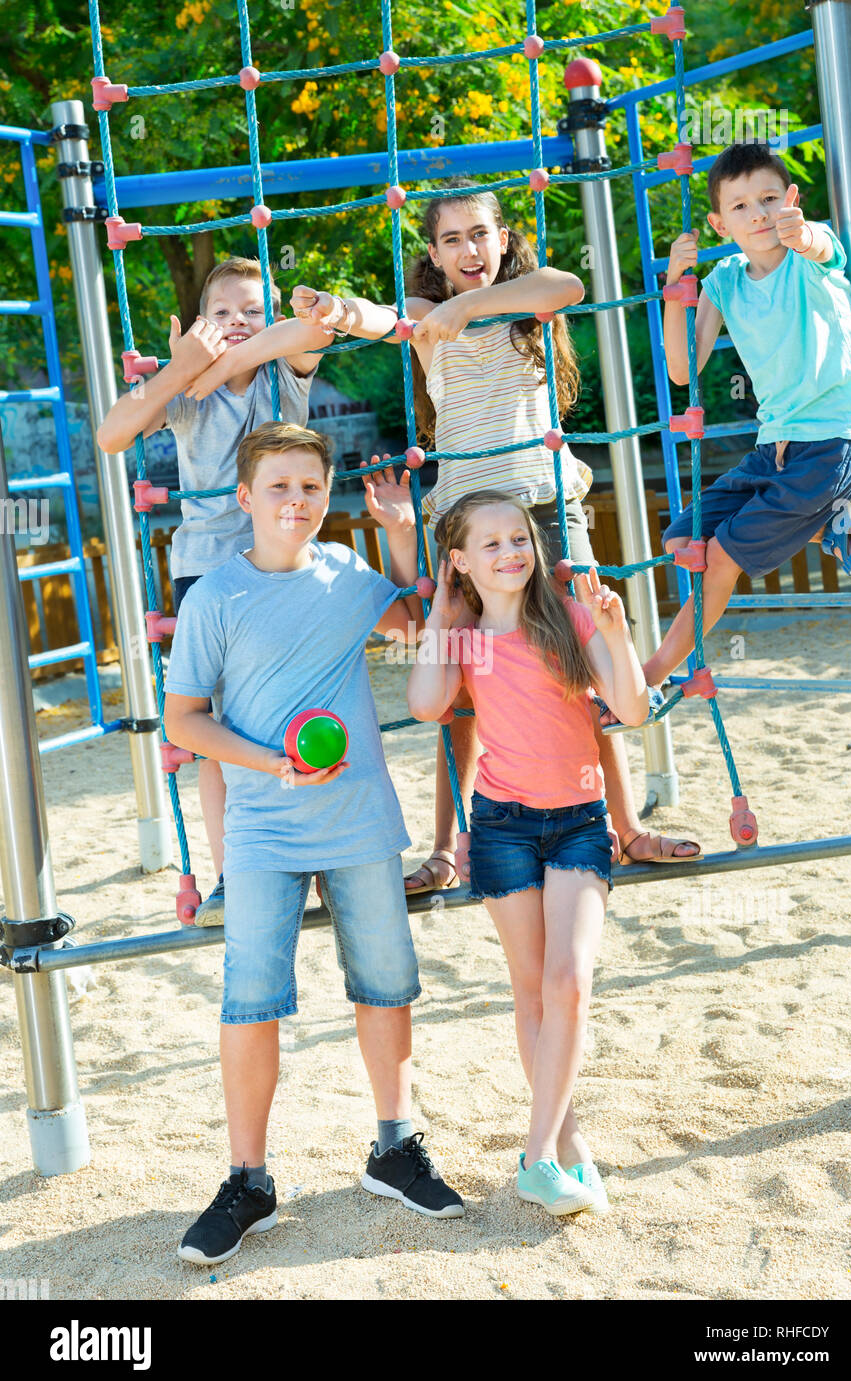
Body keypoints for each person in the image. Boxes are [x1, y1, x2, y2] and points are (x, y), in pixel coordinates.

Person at [308, 182, 699, 889]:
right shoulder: (427, 314)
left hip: (545, 509)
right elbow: (384, 318)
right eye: (451, 239)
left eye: (480, 234)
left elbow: (569, 283)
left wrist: (469, 305)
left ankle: (621, 827)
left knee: (575, 672)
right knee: (462, 681)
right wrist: (339, 311)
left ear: (502, 238)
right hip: (465, 518)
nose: (467, 250)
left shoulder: (526, 304)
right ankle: (446, 846)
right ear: (432, 252)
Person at [163, 421, 464, 1265]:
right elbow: (185, 719)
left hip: (360, 819)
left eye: (310, 487)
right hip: (261, 829)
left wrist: (401, 535)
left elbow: (415, 624)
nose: (296, 501)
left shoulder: (347, 574)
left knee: (386, 986)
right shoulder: (214, 597)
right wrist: (272, 762)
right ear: (245, 497)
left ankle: (393, 1149)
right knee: (250, 1001)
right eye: (279, 487)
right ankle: (248, 1180)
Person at [98, 257, 394, 926]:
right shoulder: (183, 393)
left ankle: (323, 854)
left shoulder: (279, 382)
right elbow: (113, 434)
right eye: (222, 313)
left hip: (285, 567)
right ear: (200, 322)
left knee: (298, 710)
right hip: (209, 572)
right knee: (218, 733)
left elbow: (309, 334)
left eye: (251, 311)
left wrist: (224, 361)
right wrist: (180, 372)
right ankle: (232, 874)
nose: (238, 322)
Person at [408, 489, 648, 1215]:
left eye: (519, 539)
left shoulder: (569, 619)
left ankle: (535, 1154)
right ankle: (565, 1146)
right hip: (503, 827)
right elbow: (425, 705)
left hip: (577, 821)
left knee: (568, 982)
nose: (511, 553)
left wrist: (615, 632)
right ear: (458, 562)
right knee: (531, 993)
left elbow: (632, 710)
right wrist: (441, 619)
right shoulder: (464, 634)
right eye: (490, 544)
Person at [648, 141, 851, 689]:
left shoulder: (809, 257)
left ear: (789, 202)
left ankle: (653, 672)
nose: (759, 214)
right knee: (683, 542)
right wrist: (675, 290)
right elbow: (683, 370)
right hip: (772, 449)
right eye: (741, 206)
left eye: (770, 198)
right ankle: (832, 521)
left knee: (722, 557)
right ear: (719, 222)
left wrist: (807, 235)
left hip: (830, 445)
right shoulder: (724, 280)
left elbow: (824, 246)